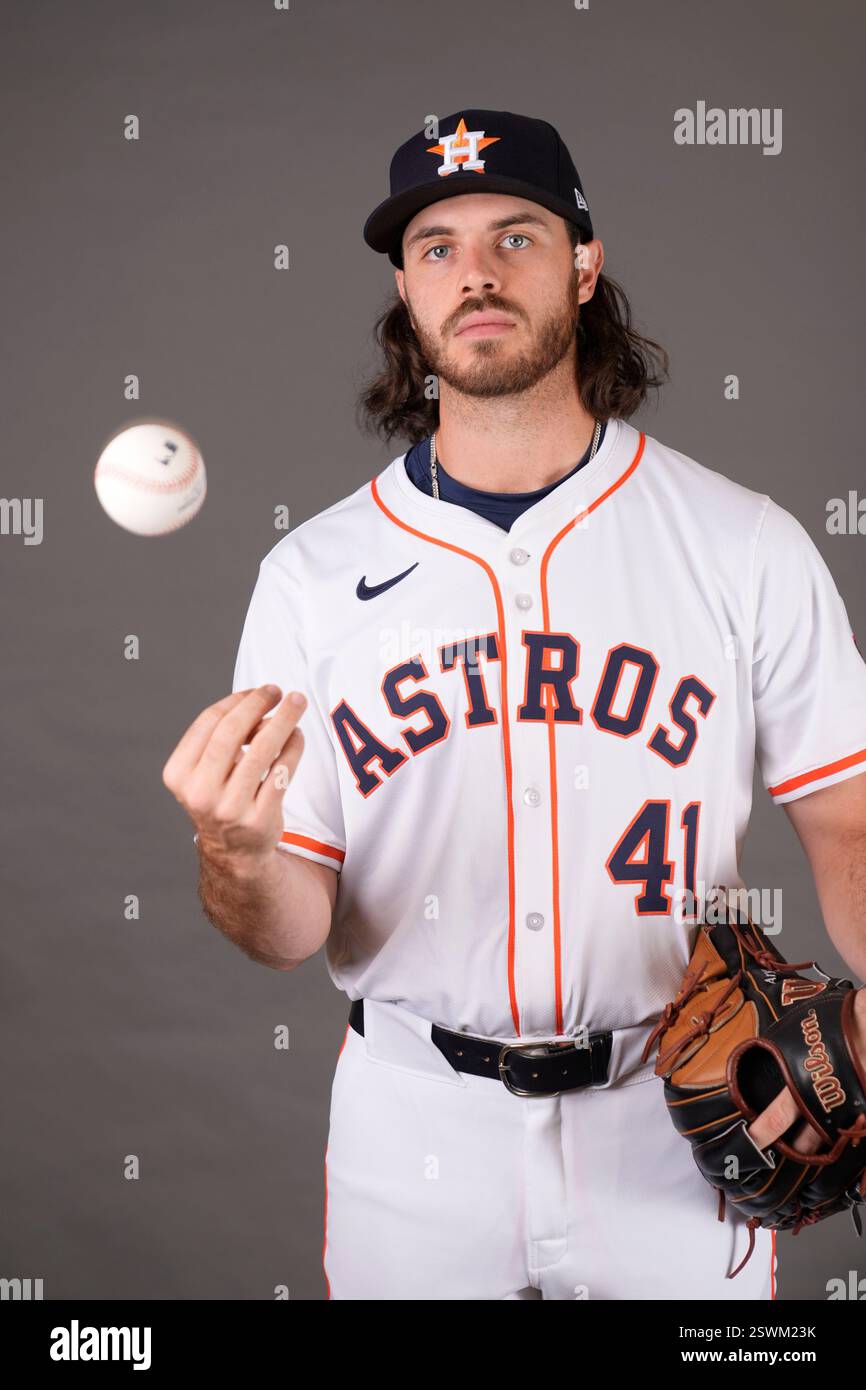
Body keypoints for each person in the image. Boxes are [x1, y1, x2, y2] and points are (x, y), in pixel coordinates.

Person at [162, 109, 866, 1300]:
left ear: (584, 265)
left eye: (515, 235)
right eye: (435, 245)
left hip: (678, 1107)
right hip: (415, 1127)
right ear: (403, 285)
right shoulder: (312, 576)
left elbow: (847, 819)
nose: (474, 272)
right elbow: (288, 926)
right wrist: (229, 850)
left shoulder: (739, 542)